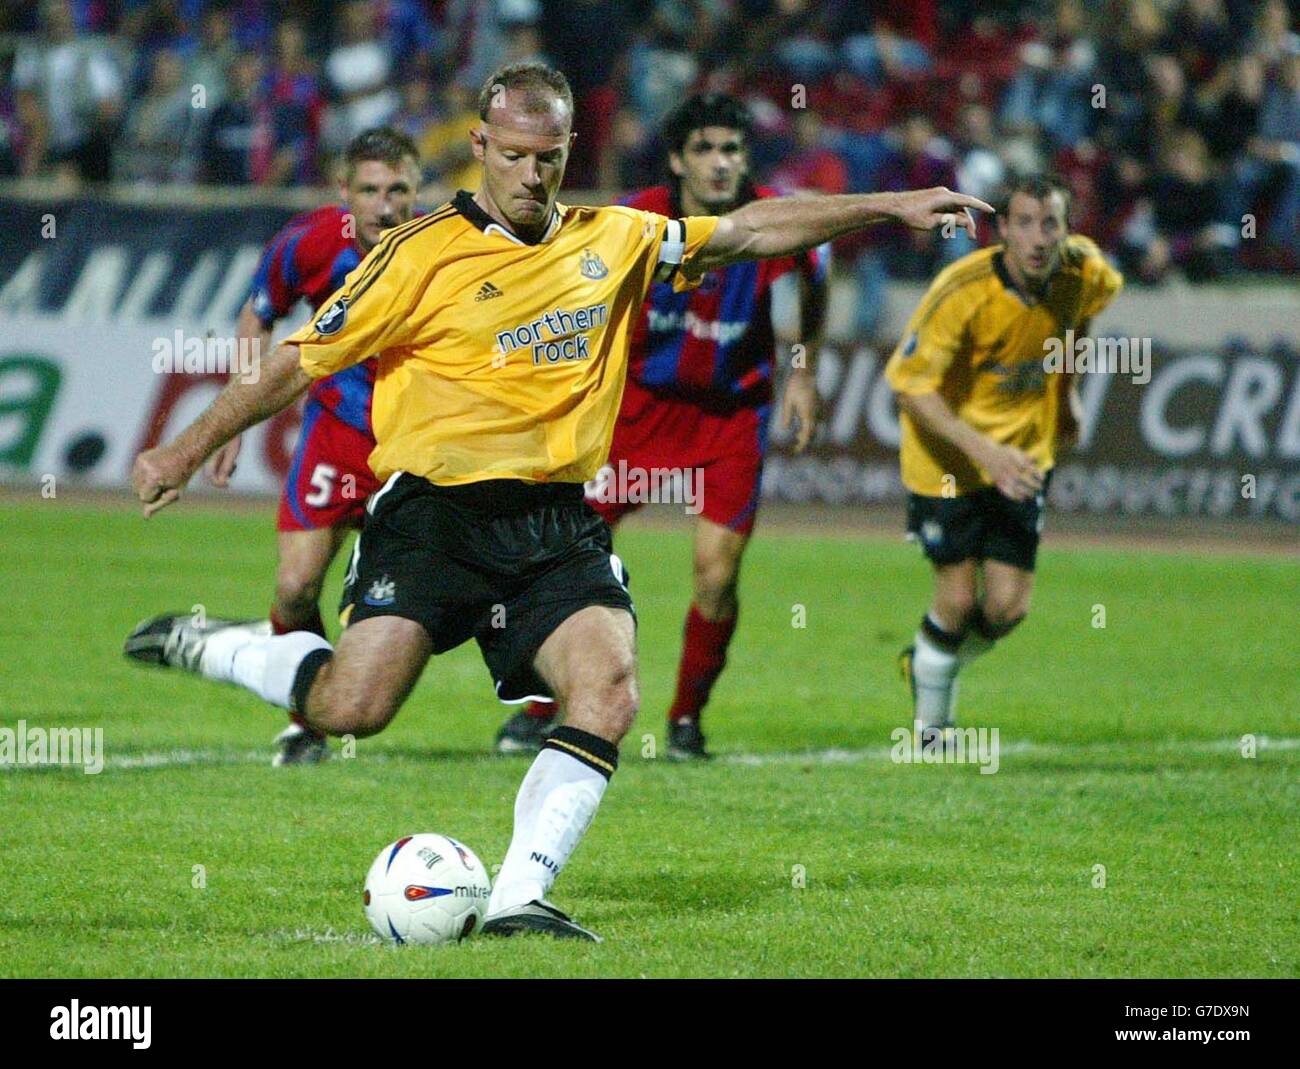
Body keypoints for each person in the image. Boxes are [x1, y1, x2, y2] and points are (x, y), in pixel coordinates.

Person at [125, 62, 990, 941]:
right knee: (353, 707)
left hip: (553, 524)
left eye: (550, 156)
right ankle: (215, 645)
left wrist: (891, 204)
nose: (533, 175)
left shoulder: (614, 238)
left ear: (572, 147)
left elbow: (752, 229)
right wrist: (184, 448)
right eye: (513, 155)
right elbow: (295, 359)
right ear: (479, 148)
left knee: (607, 686)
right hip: (433, 516)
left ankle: (515, 899)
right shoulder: (416, 255)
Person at [493, 93, 827, 760]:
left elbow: (817, 271)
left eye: (731, 148)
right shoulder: (638, 217)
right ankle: (538, 705)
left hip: (731, 414)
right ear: (677, 159)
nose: (720, 162)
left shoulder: (771, 219)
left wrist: (806, 370)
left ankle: (684, 719)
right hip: (637, 412)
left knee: (716, 573)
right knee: (569, 555)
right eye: (704, 148)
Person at [205, 126, 421, 765]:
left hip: (415, 450)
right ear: (345, 192)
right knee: (297, 586)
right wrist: (236, 419)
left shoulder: (442, 249)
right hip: (336, 436)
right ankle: (306, 722)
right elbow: (258, 312)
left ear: (418, 191)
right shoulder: (311, 243)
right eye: (372, 190)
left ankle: (540, 710)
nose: (386, 205)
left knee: (386, 607)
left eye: (400, 190)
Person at [886, 173, 1122, 747]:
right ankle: (931, 733)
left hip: (1024, 456)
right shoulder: (961, 290)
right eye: (1025, 224)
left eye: (1052, 224)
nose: (1039, 238)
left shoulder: (1083, 269)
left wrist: (1066, 395)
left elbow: (1080, 317)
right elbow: (911, 389)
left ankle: (929, 660)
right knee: (959, 598)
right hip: (946, 461)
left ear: (1067, 229)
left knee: (1009, 608)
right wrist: (984, 452)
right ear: (1002, 231)